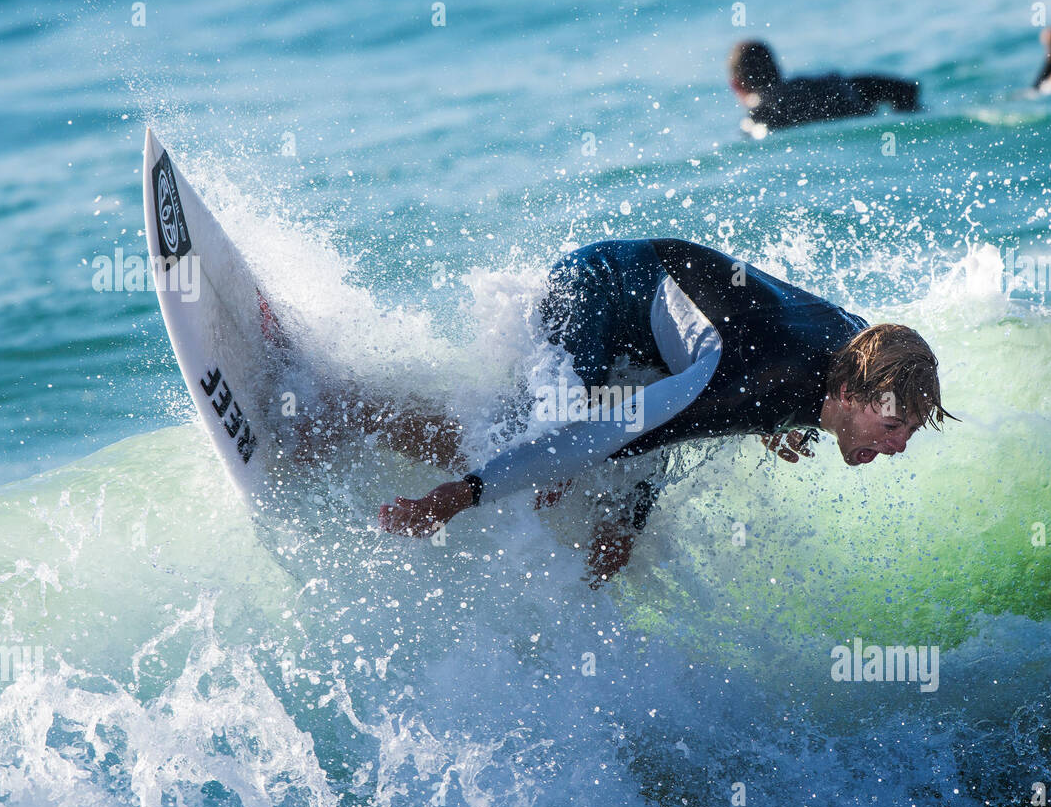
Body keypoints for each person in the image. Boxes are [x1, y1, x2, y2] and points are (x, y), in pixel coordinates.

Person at [332, 239, 952, 585]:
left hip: (663, 348)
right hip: (597, 289)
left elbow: (746, 371)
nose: (898, 445)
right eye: (893, 425)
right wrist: (459, 497)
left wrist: (777, 423)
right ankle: (340, 407)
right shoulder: (746, 382)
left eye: (907, 430)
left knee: (615, 542)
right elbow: (607, 435)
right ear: (849, 394)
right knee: (533, 440)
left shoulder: (864, 348)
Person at [728, 40, 919, 136]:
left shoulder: (757, 115)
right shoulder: (825, 83)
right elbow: (906, 89)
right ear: (778, 70)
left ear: (736, 84)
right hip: (863, 119)